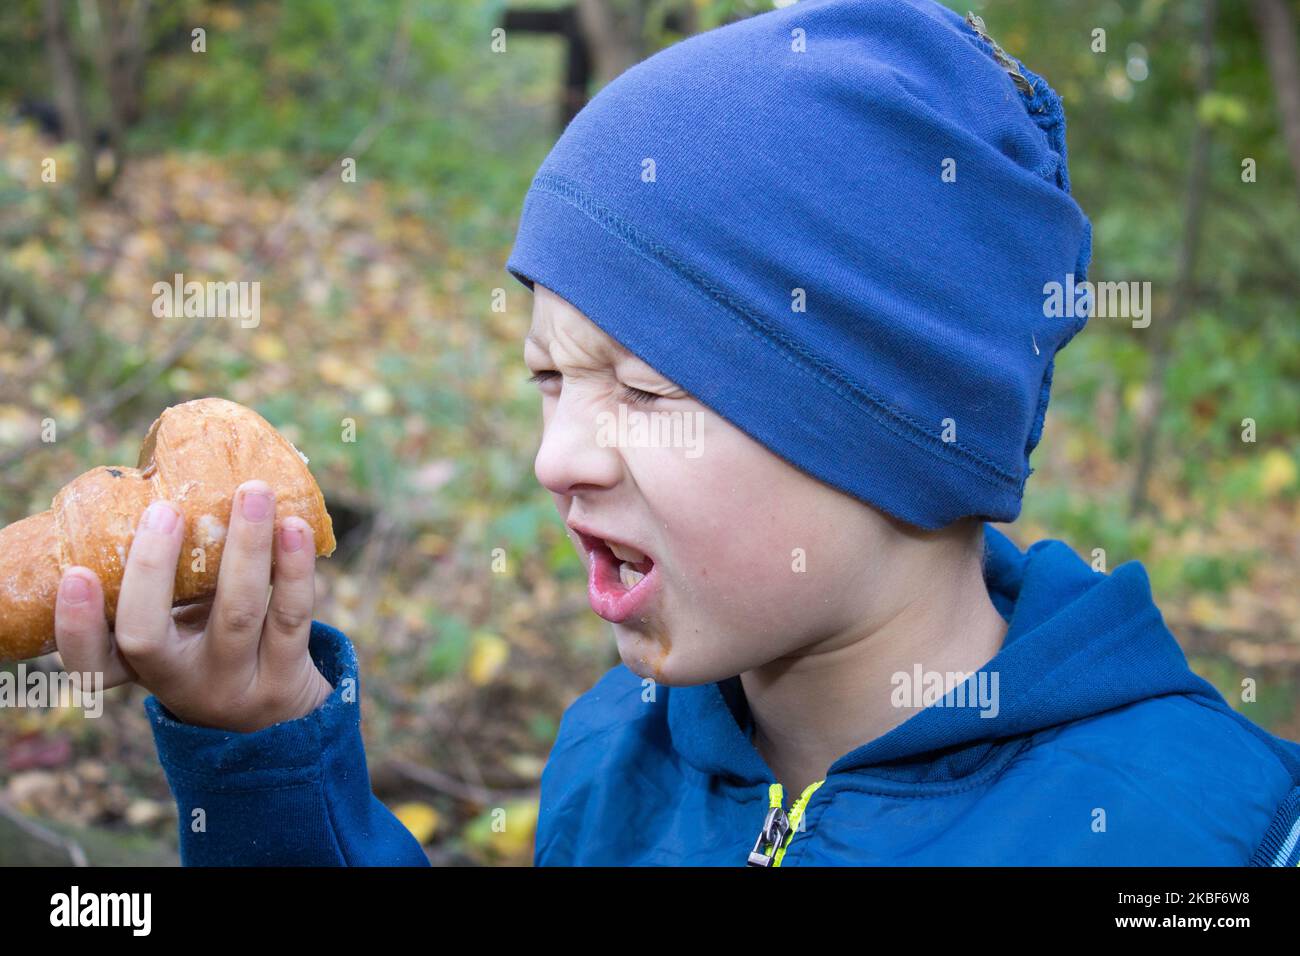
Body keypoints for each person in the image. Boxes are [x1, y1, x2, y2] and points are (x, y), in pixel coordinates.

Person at [54, 0, 1300, 865]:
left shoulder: (1206, 832)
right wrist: (265, 744)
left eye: (644, 392)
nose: (558, 456)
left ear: (893, 426)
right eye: (549, 379)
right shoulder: (609, 759)